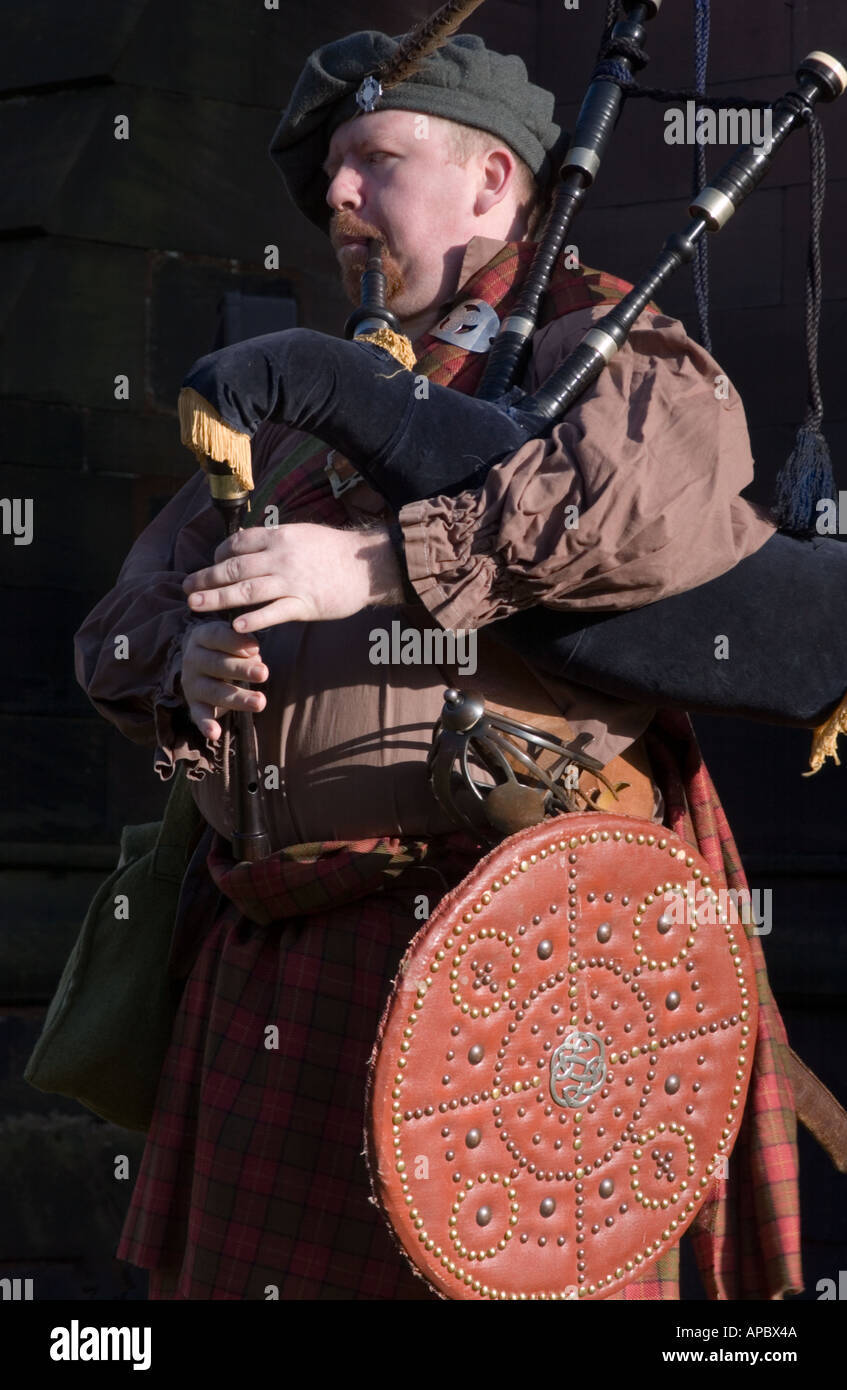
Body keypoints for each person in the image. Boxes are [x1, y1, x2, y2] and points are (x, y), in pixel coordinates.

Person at [74, 29, 801, 1300]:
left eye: (375, 161)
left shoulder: (607, 348)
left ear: (493, 183)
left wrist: (375, 568)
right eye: (331, 182)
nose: (341, 201)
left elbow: (659, 505)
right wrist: (182, 657)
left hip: (522, 978)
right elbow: (114, 626)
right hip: (277, 956)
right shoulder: (305, 399)